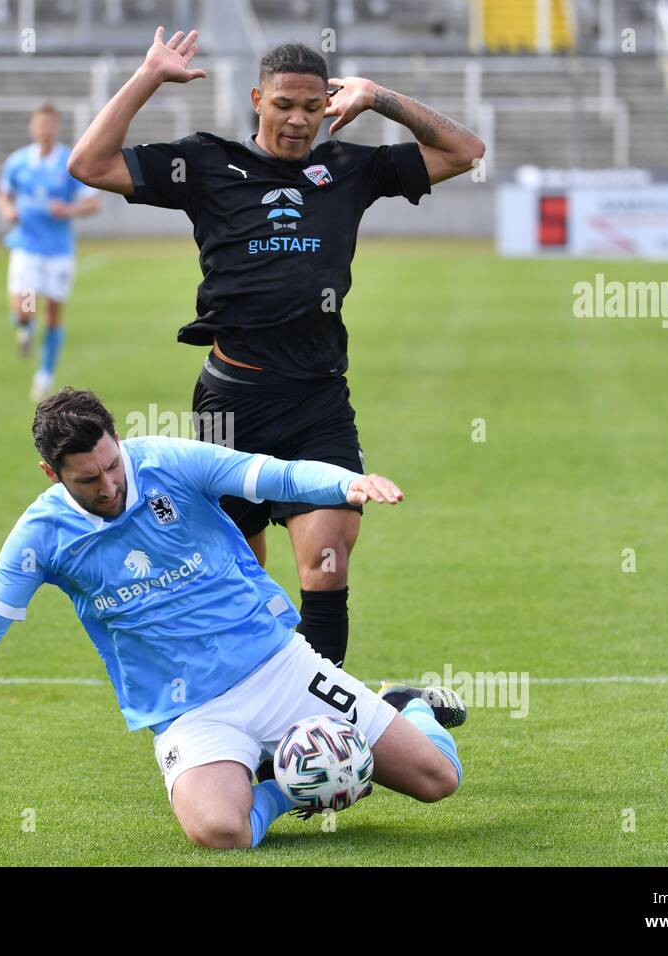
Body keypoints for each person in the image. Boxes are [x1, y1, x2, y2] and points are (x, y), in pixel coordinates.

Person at [0, 387, 465, 850]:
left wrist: (347, 483)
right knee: (222, 832)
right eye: (89, 479)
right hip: (189, 711)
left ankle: (409, 706)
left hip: (278, 668)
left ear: (119, 443)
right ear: (51, 474)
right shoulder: (43, 535)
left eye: (113, 465)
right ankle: (289, 778)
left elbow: (271, 474)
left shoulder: (167, 460)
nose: (111, 485)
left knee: (439, 779)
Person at [67, 30, 485, 671]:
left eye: (312, 107)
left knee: (325, 565)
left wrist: (378, 98)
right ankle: (253, 705)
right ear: (258, 99)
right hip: (229, 402)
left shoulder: (349, 168)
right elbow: (89, 165)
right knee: (238, 572)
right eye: (284, 104)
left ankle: (322, 723)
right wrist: (149, 75)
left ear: (328, 107)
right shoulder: (207, 165)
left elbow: (466, 150)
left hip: (318, 401)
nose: (297, 119)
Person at [0, 105, 101, 401]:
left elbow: (93, 203)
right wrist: (7, 210)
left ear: (56, 128)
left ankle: (44, 375)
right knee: (24, 307)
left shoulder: (68, 162)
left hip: (58, 251)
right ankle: (25, 327)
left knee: (54, 314)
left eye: (50, 125)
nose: (45, 129)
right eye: (40, 124)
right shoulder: (18, 162)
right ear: (33, 127)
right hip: (27, 246)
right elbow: (4, 193)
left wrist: (68, 209)